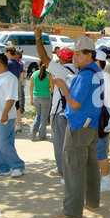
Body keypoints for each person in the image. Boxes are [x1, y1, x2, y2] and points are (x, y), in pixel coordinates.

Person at [51, 36, 103, 218]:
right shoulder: (97, 71)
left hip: (79, 127)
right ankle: (93, 202)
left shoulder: (85, 75)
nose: (74, 57)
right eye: (74, 53)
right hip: (92, 126)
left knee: (73, 168)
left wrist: (63, 86)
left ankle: (71, 211)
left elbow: (73, 103)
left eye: (78, 53)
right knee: (90, 166)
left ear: (88, 55)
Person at [34, 27, 78, 178]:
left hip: (60, 111)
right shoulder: (78, 70)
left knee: (59, 142)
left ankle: (62, 169)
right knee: (72, 143)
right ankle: (71, 167)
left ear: (63, 59)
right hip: (74, 110)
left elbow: (44, 57)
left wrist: (38, 38)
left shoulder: (61, 70)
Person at [0, 54, 25, 178]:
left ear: (0, 64)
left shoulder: (10, 78)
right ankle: (2, 168)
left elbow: (11, 98)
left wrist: (5, 113)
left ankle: (18, 166)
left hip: (4, 117)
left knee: (4, 143)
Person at [94, 50, 110, 192]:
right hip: (103, 114)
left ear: (97, 62)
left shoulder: (100, 76)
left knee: (100, 150)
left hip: (100, 116)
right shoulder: (104, 75)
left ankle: (107, 180)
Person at [29, 61, 51, 141]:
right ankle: (42, 135)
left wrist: (31, 98)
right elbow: (52, 87)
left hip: (36, 96)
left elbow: (31, 87)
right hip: (46, 96)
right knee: (44, 117)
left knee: (38, 115)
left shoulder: (34, 74)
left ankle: (33, 131)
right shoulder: (49, 75)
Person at [4, 45, 24, 134]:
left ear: (8, 52)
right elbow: (21, 78)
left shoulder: (7, 63)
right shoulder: (19, 64)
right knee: (17, 107)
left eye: (5, 52)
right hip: (16, 86)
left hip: (7, 87)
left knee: (8, 106)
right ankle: (18, 126)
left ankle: (11, 126)